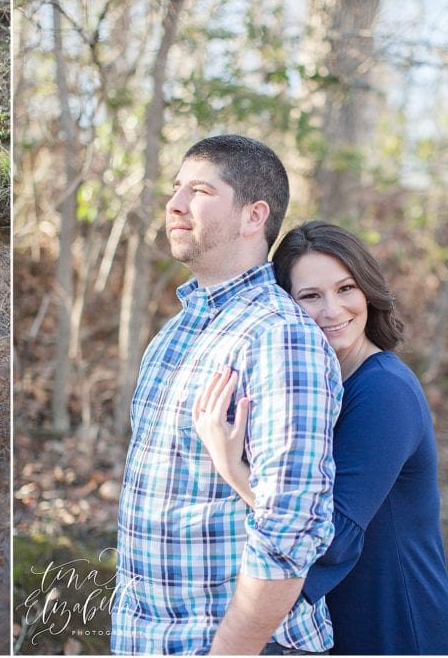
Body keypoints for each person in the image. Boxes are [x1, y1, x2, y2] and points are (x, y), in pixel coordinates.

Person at [111, 135, 344, 655]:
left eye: (199, 191)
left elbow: (291, 525)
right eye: (176, 189)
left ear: (252, 216)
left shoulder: (278, 336)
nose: (174, 204)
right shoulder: (177, 331)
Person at [194, 220, 448, 654]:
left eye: (345, 289)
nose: (333, 310)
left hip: (396, 626)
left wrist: (232, 468)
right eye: (310, 296)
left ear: (367, 292)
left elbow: (329, 535)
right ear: (285, 305)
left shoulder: (384, 390)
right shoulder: (315, 390)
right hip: (337, 623)